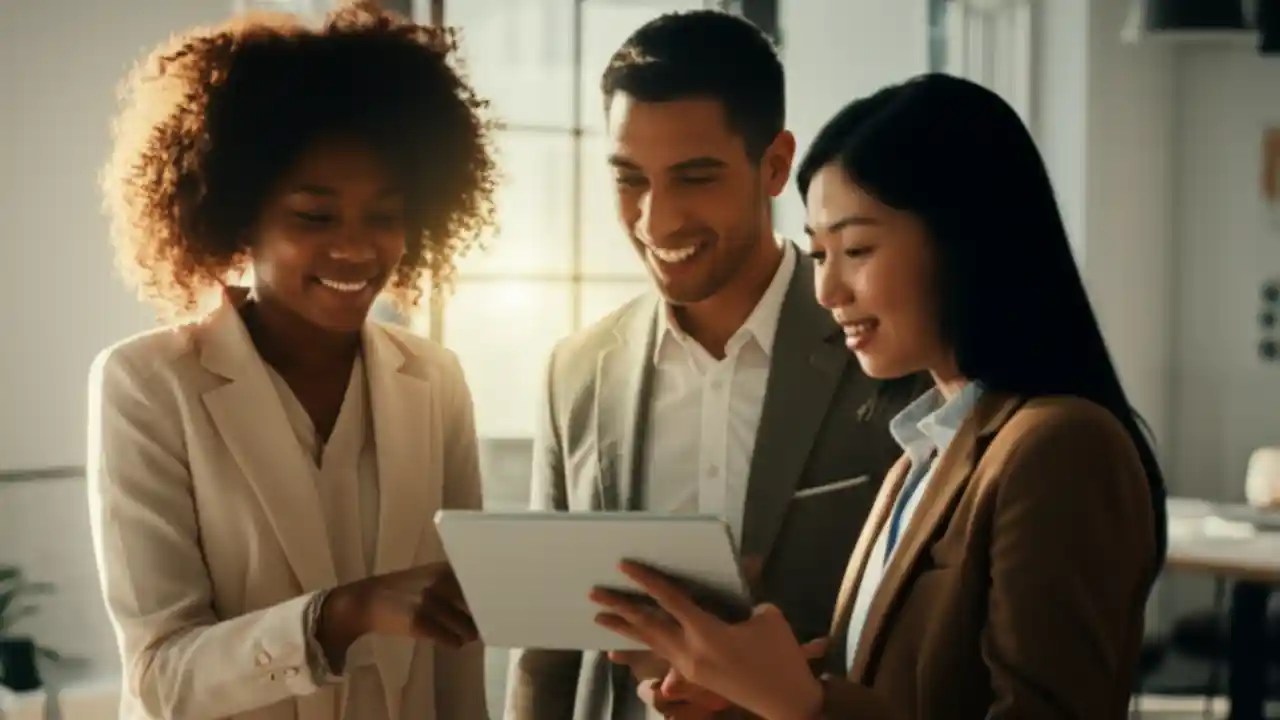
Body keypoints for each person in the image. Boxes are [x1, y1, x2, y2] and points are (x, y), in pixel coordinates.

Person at [590, 73, 1169, 720]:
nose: (827, 291)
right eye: (818, 255)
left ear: (965, 239)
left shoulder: (1060, 446)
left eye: (857, 249)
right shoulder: (915, 461)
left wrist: (800, 702)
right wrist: (745, 697)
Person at [504, 11, 918, 720]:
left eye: (694, 178)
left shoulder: (884, 349)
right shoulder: (575, 372)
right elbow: (548, 653)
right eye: (630, 179)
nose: (656, 220)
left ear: (776, 165)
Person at [88, 4, 497, 719]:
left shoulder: (435, 381)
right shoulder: (148, 385)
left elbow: (458, 648)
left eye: (384, 216)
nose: (356, 248)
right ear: (240, 216)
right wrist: (344, 613)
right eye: (314, 216)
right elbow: (161, 676)